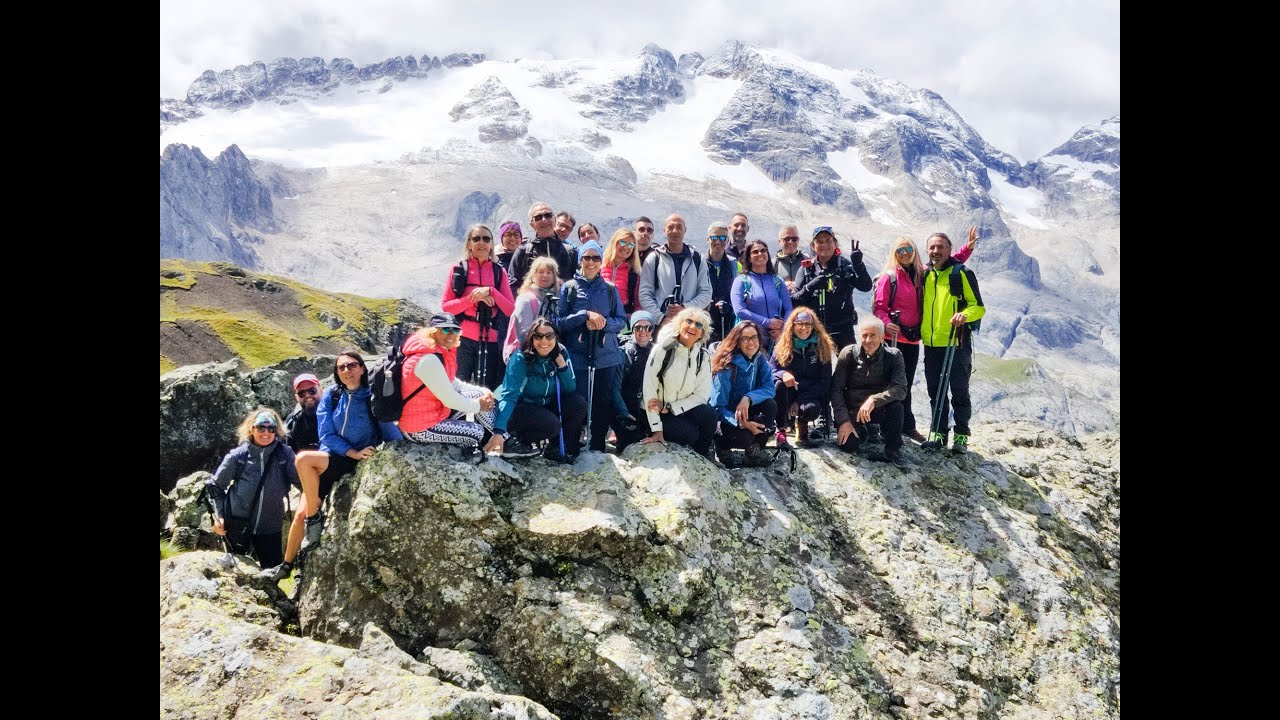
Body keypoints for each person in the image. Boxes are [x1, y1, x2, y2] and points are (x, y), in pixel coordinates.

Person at [264, 352, 403, 582]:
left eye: (352, 365)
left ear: (361, 369)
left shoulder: (372, 397)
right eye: (341, 368)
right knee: (299, 515)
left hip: (355, 460)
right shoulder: (331, 396)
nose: (347, 370)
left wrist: (400, 448)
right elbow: (326, 435)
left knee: (303, 460)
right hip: (337, 457)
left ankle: (313, 521)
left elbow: (389, 430)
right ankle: (288, 567)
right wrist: (350, 451)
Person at [872, 229, 977, 443]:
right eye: (900, 249)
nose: (904, 252)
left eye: (909, 248)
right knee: (896, 384)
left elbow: (947, 261)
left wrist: (968, 248)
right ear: (895, 252)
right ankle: (895, 426)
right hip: (896, 339)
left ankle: (911, 426)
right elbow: (879, 306)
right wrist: (886, 324)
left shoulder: (923, 273)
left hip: (914, 340)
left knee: (909, 384)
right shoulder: (890, 277)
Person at [399, 313, 499, 463]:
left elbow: (453, 384)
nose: (451, 334)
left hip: (433, 414)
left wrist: (484, 393)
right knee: (476, 431)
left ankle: (499, 437)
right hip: (419, 428)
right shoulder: (428, 360)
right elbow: (449, 399)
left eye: (456, 330)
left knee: (478, 393)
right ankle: (488, 443)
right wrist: (479, 406)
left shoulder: (436, 353)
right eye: (445, 330)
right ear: (432, 332)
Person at [919, 229, 985, 455]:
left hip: (956, 342)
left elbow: (978, 307)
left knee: (959, 390)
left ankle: (961, 435)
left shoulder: (961, 274)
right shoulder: (925, 275)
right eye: (932, 247)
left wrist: (964, 315)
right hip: (931, 344)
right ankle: (938, 434)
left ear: (949, 251)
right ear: (927, 251)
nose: (936, 251)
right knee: (935, 391)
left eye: (940, 247)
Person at [207, 408, 298, 571]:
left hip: (270, 527)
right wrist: (218, 516)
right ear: (251, 429)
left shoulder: (285, 455)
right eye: (261, 428)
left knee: (272, 576)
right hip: (236, 525)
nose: (266, 432)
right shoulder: (238, 456)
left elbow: (302, 483)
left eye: (271, 428)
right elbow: (215, 487)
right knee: (234, 574)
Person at [558, 240, 627, 453]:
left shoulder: (609, 290)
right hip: (577, 356)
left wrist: (604, 324)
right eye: (586, 258)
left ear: (600, 261)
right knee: (578, 402)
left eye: (595, 258)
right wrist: (583, 316)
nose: (591, 262)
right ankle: (572, 446)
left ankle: (597, 445)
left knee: (602, 403)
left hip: (605, 356)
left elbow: (622, 321)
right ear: (580, 261)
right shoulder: (568, 288)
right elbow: (559, 322)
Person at [484, 318, 588, 462]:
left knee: (578, 404)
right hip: (519, 406)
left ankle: (555, 448)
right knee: (551, 424)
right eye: (538, 336)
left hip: (543, 404)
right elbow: (509, 396)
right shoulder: (521, 358)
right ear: (531, 338)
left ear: (556, 337)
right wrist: (499, 431)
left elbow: (570, 389)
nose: (544, 341)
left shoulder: (561, 352)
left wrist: (562, 366)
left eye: (549, 336)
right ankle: (516, 440)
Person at [441, 224, 516, 390]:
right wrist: (473, 298)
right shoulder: (458, 269)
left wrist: (491, 291)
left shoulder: (499, 272)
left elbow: (510, 309)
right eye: (476, 239)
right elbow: (446, 307)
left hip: (490, 340)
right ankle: (455, 418)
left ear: (491, 244)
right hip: (461, 340)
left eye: (486, 239)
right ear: (469, 244)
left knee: (486, 392)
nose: (481, 243)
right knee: (456, 389)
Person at [639, 307, 718, 459]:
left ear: (702, 333)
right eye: (688, 321)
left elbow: (701, 395)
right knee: (691, 435)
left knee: (709, 417)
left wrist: (671, 407)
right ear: (679, 324)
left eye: (699, 325)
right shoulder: (662, 349)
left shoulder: (703, 356)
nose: (693, 327)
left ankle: (702, 459)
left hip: (676, 408)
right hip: (655, 412)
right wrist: (657, 429)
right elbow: (649, 389)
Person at [831, 316, 909, 467]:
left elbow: (900, 388)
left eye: (872, 335)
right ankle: (865, 430)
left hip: (879, 408)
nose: (867, 340)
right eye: (864, 335)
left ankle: (893, 448)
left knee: (897, 407)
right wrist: (843, 421)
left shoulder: (893, 356)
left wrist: (874, 400)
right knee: (848, 446)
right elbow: (836, 390)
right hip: (853, 409)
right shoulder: (848, 354)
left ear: (881, 337)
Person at [790, 226, 873, 351]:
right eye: (820, 242)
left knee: (850, 368)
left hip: (843, 329)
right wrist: (811, 286)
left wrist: (858, 264)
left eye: (828, 240)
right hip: (812, 330)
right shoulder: (806, 269)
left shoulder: (845, 266)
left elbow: (866, 286)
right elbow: (793, 300)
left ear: (835, 243)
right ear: (813, 246)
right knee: (818, 369)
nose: (824, 245)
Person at [708, 321, 778, 468]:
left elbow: (769, 388)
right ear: (737, 341)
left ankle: (754, 451)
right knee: (745, 436)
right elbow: (716, 407)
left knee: (770, 405)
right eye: (745, 338)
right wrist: (741, 423)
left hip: (746, 410)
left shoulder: (759, 359)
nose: (751, 342)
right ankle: (722, 447)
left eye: (754, 337)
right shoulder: (726, 365)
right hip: (726, 420)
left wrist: (748, 398)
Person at [771, 308, 837, 448]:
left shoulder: (821, 346)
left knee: (811, 409)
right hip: (789, 390)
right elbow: (771, 371)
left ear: (813, 327)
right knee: (779, 385)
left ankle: (802, 427)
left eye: (808, 324)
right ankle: (780, 429)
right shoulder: (783, 345)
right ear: (792, 325)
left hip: (810, 393)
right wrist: (783, 374)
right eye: (799, 323)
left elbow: (825, 381)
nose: (804, 328)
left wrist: (800, 400)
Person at [638, 213, 713, 327]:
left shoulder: (698, 259)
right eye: (670, 227)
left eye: (679, 227)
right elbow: (645, 294)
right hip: (662, 326)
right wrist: (660, 318)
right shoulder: (654, 259)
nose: (675, 231)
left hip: (690, 326)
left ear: (685, 230)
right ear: (664, 230)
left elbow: (706, 292)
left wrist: (685, 308)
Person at [731, 239, 793, 348]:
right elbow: (739, 311)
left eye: (763, 250)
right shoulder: (741, 281)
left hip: (776, 337)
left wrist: (782, 329)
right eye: (755, 252)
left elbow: (788, 308)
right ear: (749, 258)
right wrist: (767, 322)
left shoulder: (777, 281)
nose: (760, 254)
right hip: (749, 339)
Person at [612, 310, 656, 451]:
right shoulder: (623, 353)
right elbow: (615, 388)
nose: (643, 332)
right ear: (632, 329)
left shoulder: (658, 353)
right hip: (625, 408)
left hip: (648, 408)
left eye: (648, 327)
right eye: (638, 327)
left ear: (652, 330)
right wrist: (624, 412)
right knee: (628, 443)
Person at [503, 256, 561, 362]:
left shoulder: (554, 300)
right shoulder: (526, 300)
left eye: (549, 272)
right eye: (540, 272)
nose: (545, 275)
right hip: (527, 358)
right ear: (533, 276)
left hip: (546, 357)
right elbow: (523, 334)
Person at [508, 201, 575, 288]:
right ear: (532, 224)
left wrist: (564, 283)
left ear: (554, 219)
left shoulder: (569, 252)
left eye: (548, 215)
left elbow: (577, 282)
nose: (544, 220)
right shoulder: (524, 251)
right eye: (538, 217)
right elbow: (512, 283)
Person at [704, 221, 738, 344]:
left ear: (727, 240)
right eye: (714, 237)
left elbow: (737, 292)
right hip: (704, 321)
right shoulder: (699, 263)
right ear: (707, 239)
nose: (718, 241)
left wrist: (728, 305)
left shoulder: (734, 264)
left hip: (727, 323)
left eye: (722, 237)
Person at [600, 228, 642, 316]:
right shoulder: (599, 266)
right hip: (599, 314)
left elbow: (637, 301)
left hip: (622, 317)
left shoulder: (633, 273)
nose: (626, 247)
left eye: (631, 245)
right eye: (622, 242)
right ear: (614, 243)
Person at [284, 373, 321, 453]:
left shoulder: (335, 414)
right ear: (296, 397)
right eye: (301, 393)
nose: (307, 396)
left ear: (321, 390)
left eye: (312, 391)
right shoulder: (292, 421)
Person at [774, 225, 808, 292]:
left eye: (794, 239)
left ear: (798, 241)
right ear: (779, 241)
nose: (790, 242)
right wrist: (782, 285)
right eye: (786, 239)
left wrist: (798, 285)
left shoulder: (807, 260)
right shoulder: (772, 264)